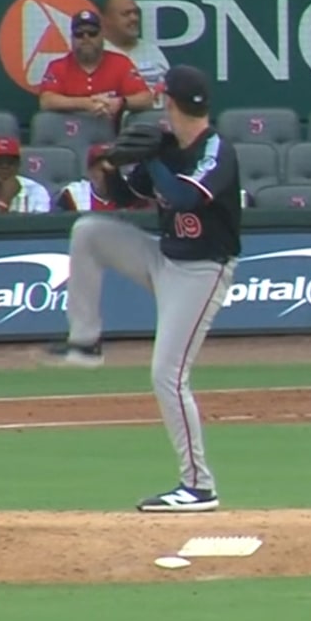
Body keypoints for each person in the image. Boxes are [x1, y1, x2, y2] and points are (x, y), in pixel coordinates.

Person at [39, 65, 243, 514]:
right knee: (89, 231)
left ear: (171, 102)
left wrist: (151, 158)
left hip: (203, 271)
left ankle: (198, 486)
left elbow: (186, 198)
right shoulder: (167, 145)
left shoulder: (216, 150)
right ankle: (84, 342)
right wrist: (112, 163)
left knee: (167, 375)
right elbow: (125, 196)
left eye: (163, 99)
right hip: (163, 257)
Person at [37, 10, 156, 120]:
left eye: (92, 33)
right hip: (69, 132)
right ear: (72, 38)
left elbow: (146, 99)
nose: (86, 38)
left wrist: (120, 102)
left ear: (102, 36)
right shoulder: (58, 67)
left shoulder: (120, 63)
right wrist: (86, 104)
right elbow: (46, 101)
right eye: (79, 34)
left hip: (112, 133)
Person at [56, 144, 152, 212]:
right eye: (103, 171)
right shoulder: (74, 195)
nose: (109, 177)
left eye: (114, 171)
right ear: (90, 173)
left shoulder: (132, 192)